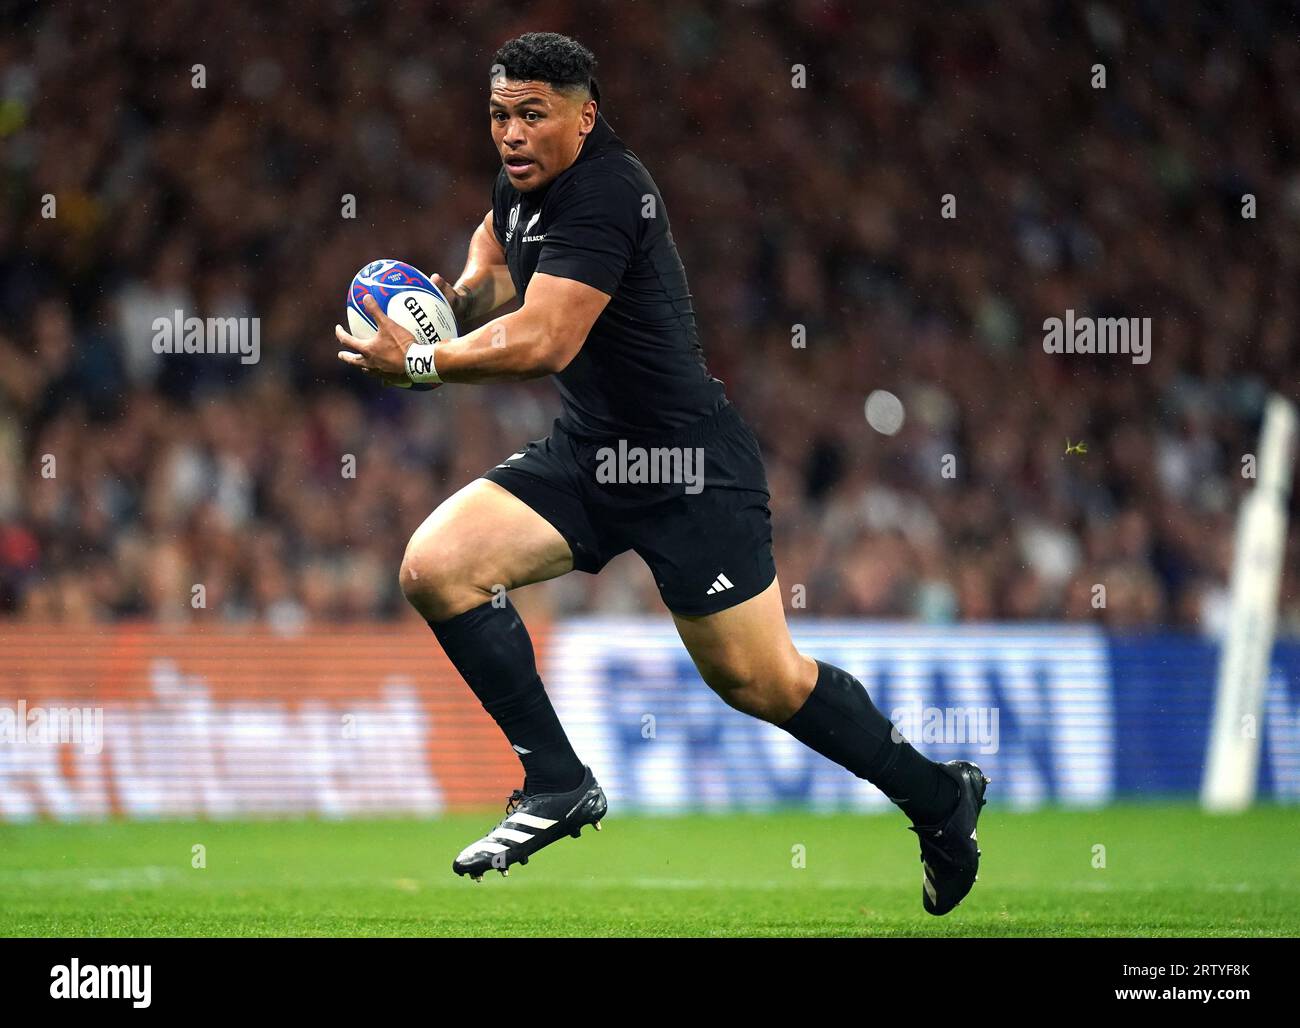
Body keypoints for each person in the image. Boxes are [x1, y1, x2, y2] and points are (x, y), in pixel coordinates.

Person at [335, 31, 988, 915]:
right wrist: (440, 311)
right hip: (592, 451)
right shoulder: (518, 185)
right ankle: (558, 781)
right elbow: (490, 269)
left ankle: (939, 798)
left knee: (763, 682)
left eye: (534, 115)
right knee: (435, 567)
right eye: (499, 115)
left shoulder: (609, 191)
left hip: (688, 466)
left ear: (585, 114)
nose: (512, 134)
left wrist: (421, 366)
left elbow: (545, 338)